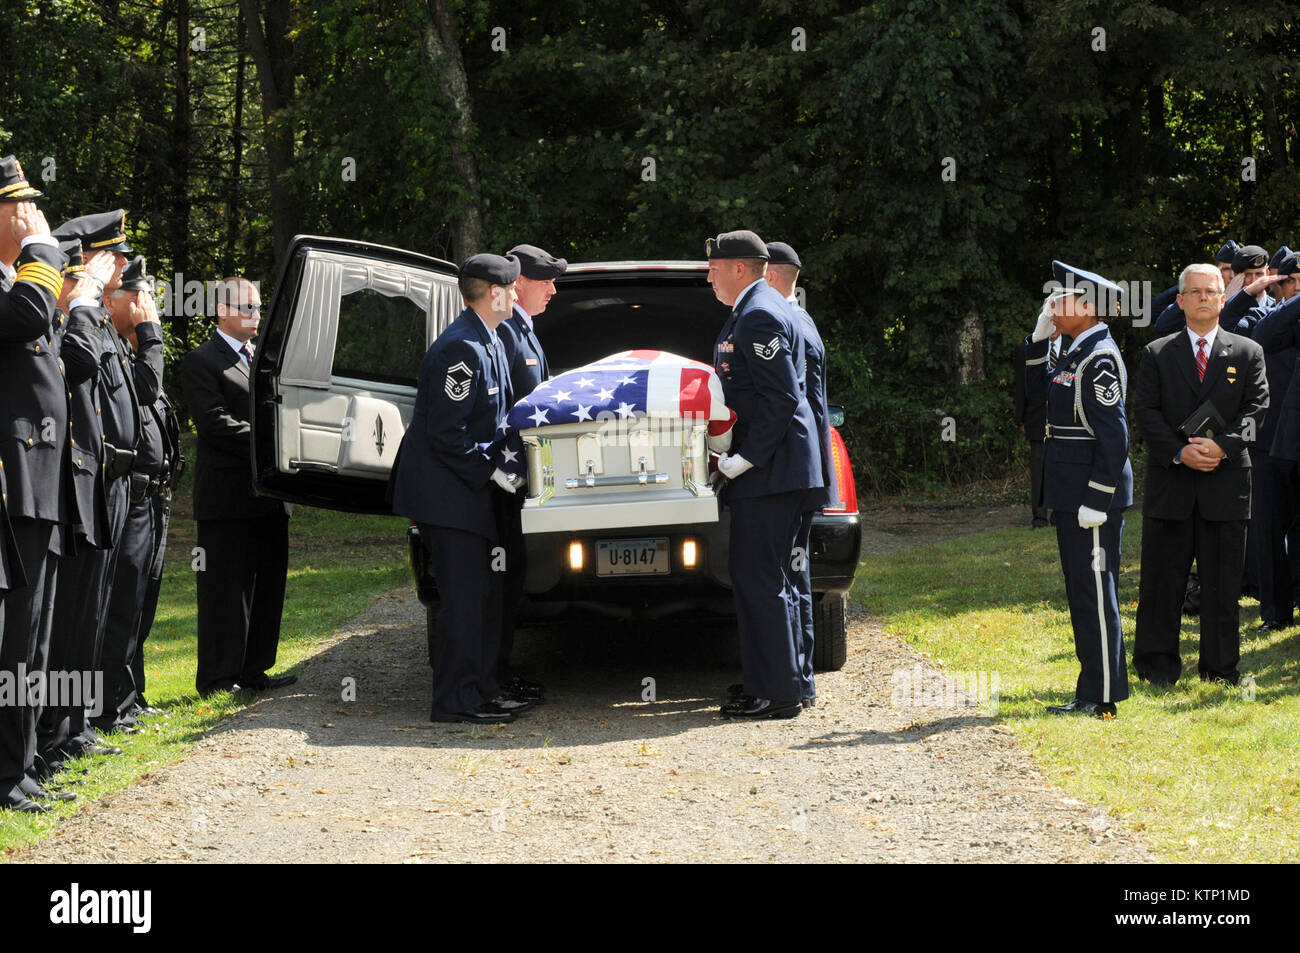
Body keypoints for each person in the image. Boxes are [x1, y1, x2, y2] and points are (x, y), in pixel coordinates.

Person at [390, 253, 533, 724]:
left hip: (466, 492)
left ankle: (483, 689)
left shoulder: (486, 339)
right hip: (448, 496)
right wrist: (487, 471)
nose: (515, 295)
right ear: (494, 293)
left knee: (483, 598)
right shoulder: (461, 348)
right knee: (464, 601)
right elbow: (446, 434)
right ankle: (455, 700)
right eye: (511, 289)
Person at [1133, 264, 1268, 687]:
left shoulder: (1248, 352)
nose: (1204, 297)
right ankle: (1156, 668)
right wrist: (1179, 452)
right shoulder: (1157, 353)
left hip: (1225, 486)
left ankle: (1221, 668)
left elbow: (1257, 409)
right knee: (1160, 583)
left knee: (1223, 585)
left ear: (1224, 298)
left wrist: (1223, 446)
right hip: (1171, 485)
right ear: (1181, 301)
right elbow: (1145, 414)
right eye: (1195, 292)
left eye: (1211, 291)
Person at [707, 229, 821, 720]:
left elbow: (782, 399)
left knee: (759, 577)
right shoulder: (756, 310)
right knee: (772, 577)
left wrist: (744, 458)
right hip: (776, 469)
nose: (708, 275)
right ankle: (780, 681)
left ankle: (776, 693)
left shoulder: (757, 315)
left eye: (714, 267)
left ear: (739, 267)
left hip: (771, 471)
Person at [1022, 261, 1133, 718]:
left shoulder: (1098, 357)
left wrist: (1097, 496)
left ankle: (1103, 696)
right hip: (1071, 494)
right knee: (1081, 592)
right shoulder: (1073, 350)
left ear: (1087, 308)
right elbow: (1031, 401)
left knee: (1095, 592)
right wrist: (1036, 341)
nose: (1053, 304)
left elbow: (1115, 437)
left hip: (1090, 496)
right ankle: (1092, 689)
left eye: (1061, 298)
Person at [180, 276, 295, 697]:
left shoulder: (264, 359)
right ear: (222, 311)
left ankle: (254, 670)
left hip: (268, 498)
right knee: (225, 592)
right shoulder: (201, 360)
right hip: (226, 500)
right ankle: (218, 678)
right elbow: (213, 424)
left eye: (259, 306)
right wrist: (270, 440)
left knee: (268, 586)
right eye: (248, 307)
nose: (256, 314)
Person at [0, 156, 69, 812]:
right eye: (16, 207)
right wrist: (41, 248)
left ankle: (21, 768)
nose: (28, 216)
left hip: (38, 478)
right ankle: (5, 773)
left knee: (35, 634)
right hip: (11, 479)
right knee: (14, 635)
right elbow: (26, 315)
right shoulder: (18, 284)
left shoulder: (17, 280)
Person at [95, 257, 172, 730]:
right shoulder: (120, 348)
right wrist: (151, 336)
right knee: (119, 604)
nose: (147, 307)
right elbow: (145, 390)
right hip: (124, 492)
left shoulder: (126, 349)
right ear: (109, 301)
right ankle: (110, 706)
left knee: (141, 602)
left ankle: (129, 695)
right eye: (137, 296)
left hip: (150, 493)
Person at [494, 243, 566, 703]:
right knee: (498, 582)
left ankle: (500, 673)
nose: (554, 290)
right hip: (504, 479)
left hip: (522, 476)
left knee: (510, 580)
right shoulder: (505, 334)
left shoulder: (524, 330)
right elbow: (500, 408)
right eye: (547, 281)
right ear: (519, 286)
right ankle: (494, 677)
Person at [763, 240, 833, 708]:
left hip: (788, 468)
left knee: (788, 576)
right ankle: (801, 674)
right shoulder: (802, 320)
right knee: (797, 573)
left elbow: (787, 400)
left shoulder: (780, 322)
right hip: (805, 467)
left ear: (769, 276)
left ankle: (795, 678)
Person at [1014, 331, 1067, 529]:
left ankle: (1060, 514)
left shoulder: (1075, 345)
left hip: (1065, 418)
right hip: (1037, 418)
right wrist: (1021, 418)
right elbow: (1021, 385)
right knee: (1038, 469)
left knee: (1063, 467)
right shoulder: (1028, 348)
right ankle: (1039, 517)